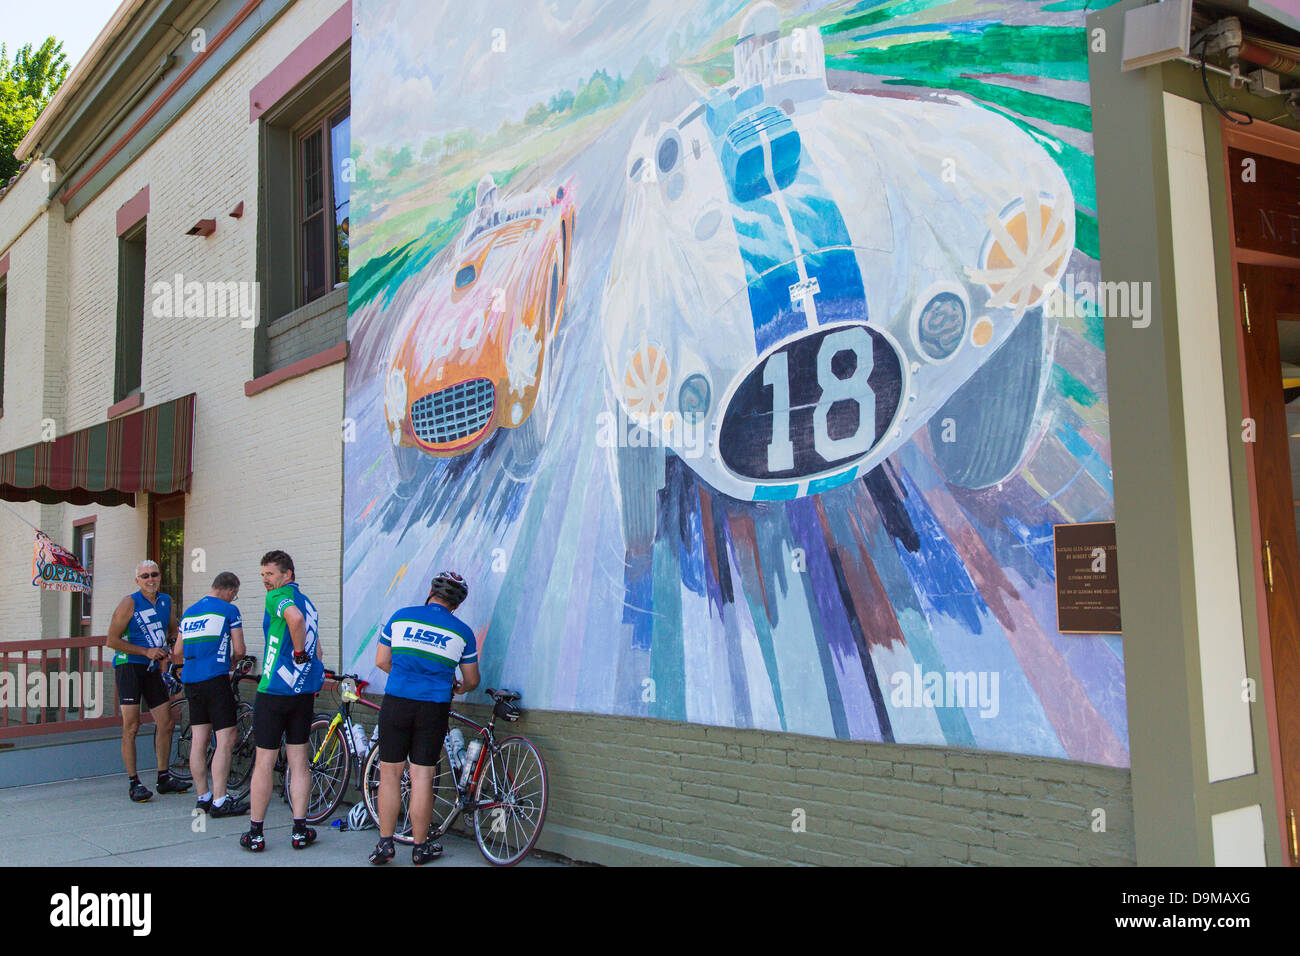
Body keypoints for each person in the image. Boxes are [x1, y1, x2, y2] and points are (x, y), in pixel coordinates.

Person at [369, 570, 479, 865]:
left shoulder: (401, 616)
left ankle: (384, 845)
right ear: (456, 605)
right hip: (433, 706)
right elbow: (471, 680)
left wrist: (408, 677)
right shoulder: (463, 632)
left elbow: (381, 660)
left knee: (390, 775)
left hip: (396, 702)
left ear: (431, 592)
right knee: (422, 777)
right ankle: (420, 848)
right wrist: (456, 686)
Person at [239, 550, 324, 852]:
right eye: (262, 575)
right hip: (301, 694)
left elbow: (294, 618)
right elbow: (319, 650)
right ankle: (300, 830)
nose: (265, 581)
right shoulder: (310, 604)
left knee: (265, 761)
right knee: (299, 763)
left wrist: (297, 653)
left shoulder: (278, 597)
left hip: (274, 690)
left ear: (288, 574)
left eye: (270, 574)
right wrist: (307, 663)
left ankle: (256, 833)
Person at [105, 560, 190, 802]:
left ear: (160, 576)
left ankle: (163, 777)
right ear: (137, 580)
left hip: (153, 668)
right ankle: (134, 782)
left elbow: (173, 631)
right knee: (131, 726)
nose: (150, 579)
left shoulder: (166, 602)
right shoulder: (129, 602)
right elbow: (111, 640)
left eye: (154, 574)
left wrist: (177, 646)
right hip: (129, 666)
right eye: (145, 576)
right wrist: (145, 651)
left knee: (165, 722)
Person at [174, 571, 248, 817]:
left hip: (192, 681)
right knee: (225, 738)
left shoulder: (190, 612)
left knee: (199, 740)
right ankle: (220, 800)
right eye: (234, 595)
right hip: (216, 679)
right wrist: (233, 662)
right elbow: (239, 649)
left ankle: (202, 796)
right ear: (229, 590)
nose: (233, 599)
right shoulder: (229, 611)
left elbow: (177, 651)